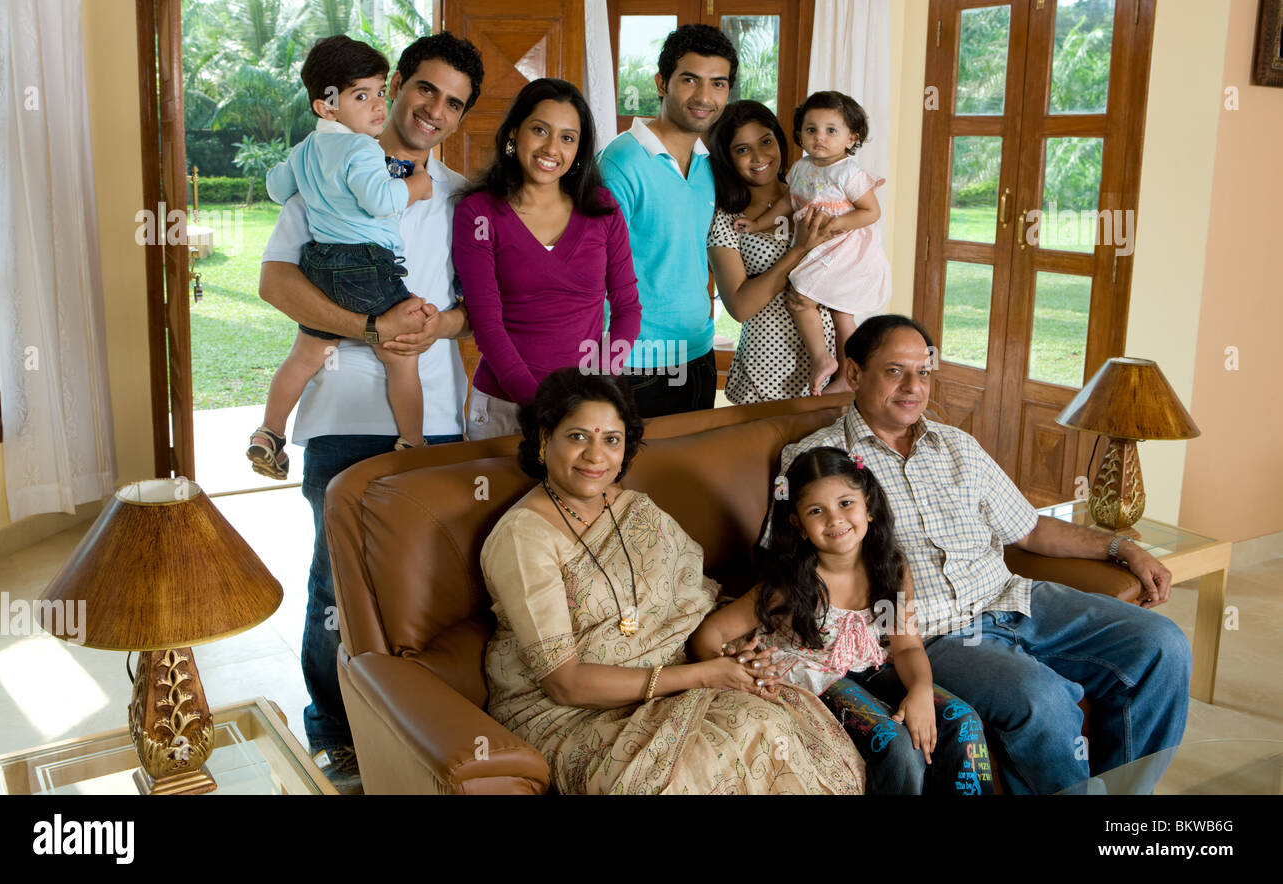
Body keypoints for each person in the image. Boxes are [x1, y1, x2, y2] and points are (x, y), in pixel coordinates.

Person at [768, 314, 1192, 794]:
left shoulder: (957, 445)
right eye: (894, 371)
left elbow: (1029, 529)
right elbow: (786, 559)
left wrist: (1122, 547)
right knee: (1043, 698)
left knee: (1162, 644)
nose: (913, 386)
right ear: (855, 372)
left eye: (923, 372)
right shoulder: (817, 459)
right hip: (932, 634)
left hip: (1013, 598)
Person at [258, 31, 485, 792]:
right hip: (341, 413)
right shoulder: (324, 167)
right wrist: (368, 328)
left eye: (454, 103)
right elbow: (275, 285)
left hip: (436, 416)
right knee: (336, 587)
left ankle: (420, 722)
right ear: (394, 87)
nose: (435, 110)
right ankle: (334, 730)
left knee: (428, 583)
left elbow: (476, 308)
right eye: (425, 89)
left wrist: (437, 327)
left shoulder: (460, 199)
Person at [480, 367, 866, 794]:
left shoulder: (632, 507)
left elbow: (691, 603)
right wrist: (705, 675)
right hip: (573, 714)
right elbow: (564, 683)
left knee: (781, 721)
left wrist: (737, 658)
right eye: (577, 437)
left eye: (611, 439)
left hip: (675, 675)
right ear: (543, 437)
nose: (596, 456)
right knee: (733, 745)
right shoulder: (523, 537)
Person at [691, 446, 994, 795]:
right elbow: (710, 632)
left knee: (964, 721)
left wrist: (921, 689)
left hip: (870, 667)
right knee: (895, 743)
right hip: (812, 673)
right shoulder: (791, 585)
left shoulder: (890, 570)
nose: (835, 519)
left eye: (846, 503)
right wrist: (725, 666)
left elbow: (906, 645)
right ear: (799, 525)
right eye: (817, 511)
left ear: (869, 505)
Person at [248, 36, 432, 479]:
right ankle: (414, 442)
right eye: (361, 96)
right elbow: (379, 199)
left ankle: (269, 431)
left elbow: (276, 189)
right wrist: (417, 186)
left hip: (321, 269)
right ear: (326, 107)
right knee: (402, 356)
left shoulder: (307, 148)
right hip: (368, 266)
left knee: (306, 355)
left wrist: (303, 173)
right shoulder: (362, 148)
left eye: (380, 93)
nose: (377, 107)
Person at [452, 78, 640, 440]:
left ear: (579, 150)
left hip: (585, 411)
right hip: (503, 410)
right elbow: (487, 325)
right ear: (514, 133)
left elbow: (628, 308)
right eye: (540, 130)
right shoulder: (478, 214)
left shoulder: (603, 209)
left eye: (568, 138)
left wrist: (595, 388)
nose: (551, 148)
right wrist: (541, 408)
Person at [598, 25, 737, 418]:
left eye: (718, 84)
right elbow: (592, 272)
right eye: (690, 80)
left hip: (698, 352)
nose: (705, 97)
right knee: (633, 479)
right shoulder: (620, 164)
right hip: (637, 362)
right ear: (662, 83)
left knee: (684, 477)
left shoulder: (710, 164)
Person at [738, 92, 887, 396]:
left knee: (802, 295)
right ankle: (842, 368)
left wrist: (837, 224)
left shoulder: (849, 172)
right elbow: (786, 204)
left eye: (831, 130)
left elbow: (871, 212)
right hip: (821, 245)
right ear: (800, 134)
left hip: (844, 247)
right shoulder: (802, 169)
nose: (820, 137)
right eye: (811, 129)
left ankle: (825, 360)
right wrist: (757, 224)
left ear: (851, 137)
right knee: (839, 311)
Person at [706, 100, 839, 403]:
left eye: (766, 141)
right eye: (742, 149)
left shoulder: (815, 193)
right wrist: (799, 249)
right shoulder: (726, 219)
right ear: (727, 158)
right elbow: (740, 307)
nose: (759, 156)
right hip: (764, 376)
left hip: (830, 370)